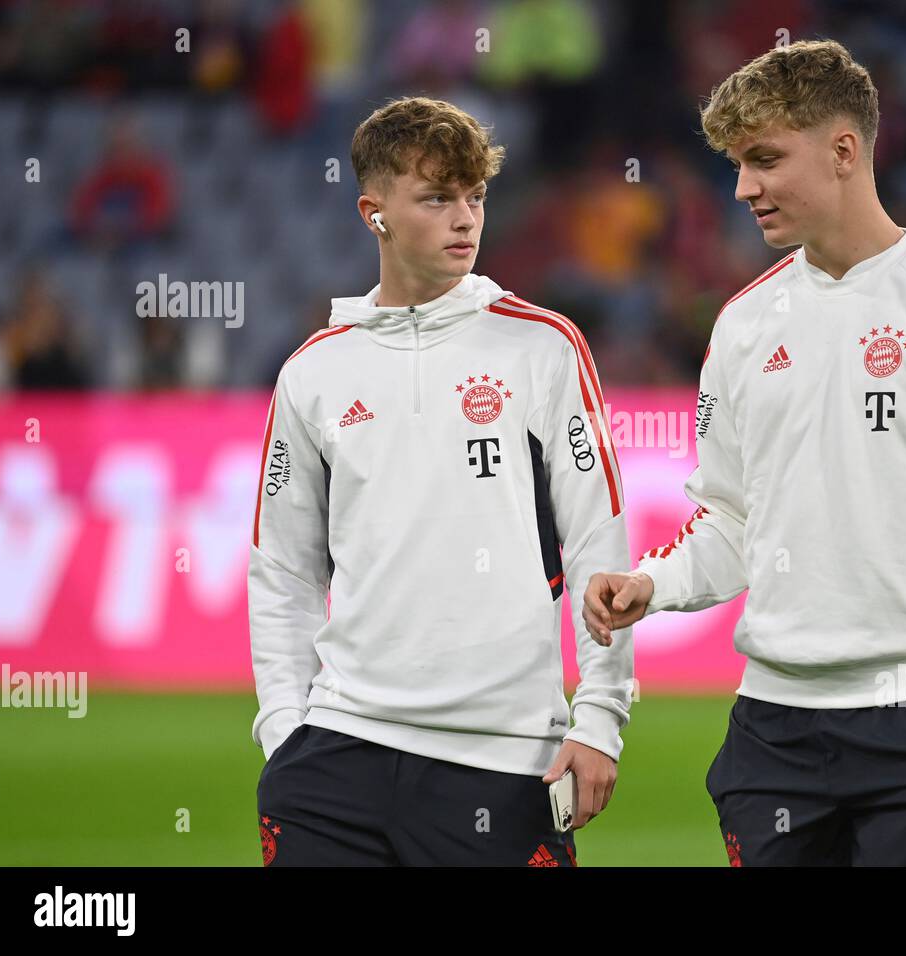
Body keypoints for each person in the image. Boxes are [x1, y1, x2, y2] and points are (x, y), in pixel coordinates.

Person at [583, 40, 906, 866]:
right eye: (738, 165)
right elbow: (733, 516)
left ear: (845, 151)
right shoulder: (741, 324)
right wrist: (651, 583)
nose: (743, 188)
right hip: (772, 728)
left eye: (765, 159)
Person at [251, 96, 633, 866]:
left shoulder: (544, 348)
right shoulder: (313, 373)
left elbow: (601, 544)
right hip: (338, 755)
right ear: (375, 212)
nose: (465, 218)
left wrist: (598, 716)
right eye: (436, 198)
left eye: (475, 197)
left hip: (505, 758)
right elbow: (284, 569)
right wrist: (284, 730)